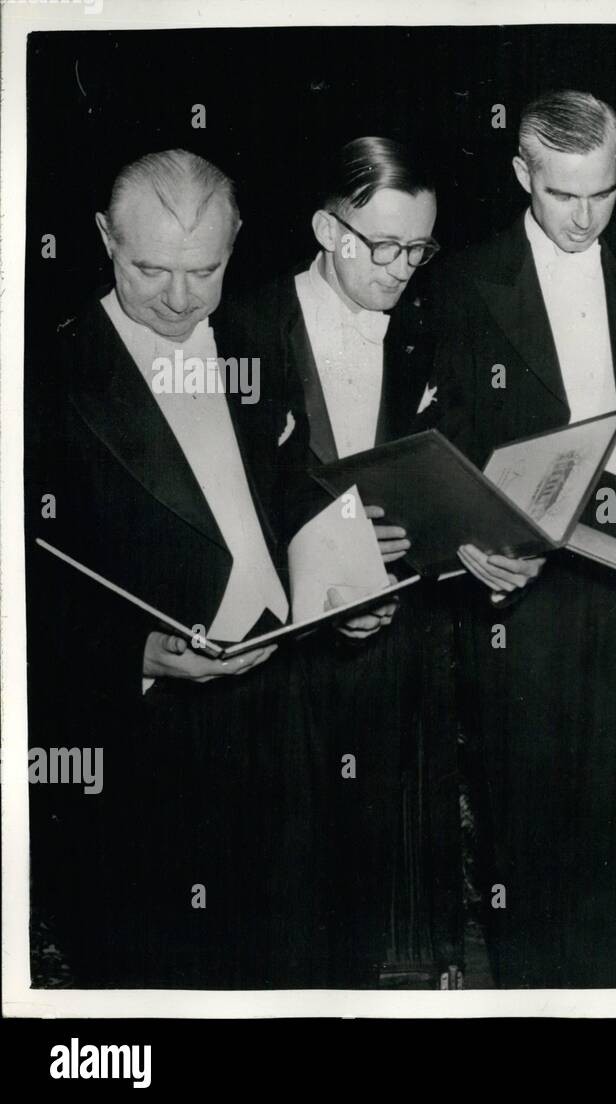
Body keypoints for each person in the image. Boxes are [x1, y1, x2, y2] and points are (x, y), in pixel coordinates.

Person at [27, 148, 390, 988]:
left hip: (281, 711)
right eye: (151, 269)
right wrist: (133, 651)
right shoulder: (45, 377)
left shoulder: (251, 339)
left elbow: (288, 487)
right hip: (145, 739)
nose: (183, 299)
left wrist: (345, 583)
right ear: (103, 240)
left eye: (207, 269)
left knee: (294, 963)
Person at [432, 90, 616, 987]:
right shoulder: (468, 281)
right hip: (522, 576)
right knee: (520, 800)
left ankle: (607, 989)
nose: (585, 218)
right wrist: (469, 540)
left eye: (604, 193)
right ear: (523, 177)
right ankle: (525, 990)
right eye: (562, 197)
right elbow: (444, 444)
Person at [230, 136, 463, 987]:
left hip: (397, 639)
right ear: (328, 228)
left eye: (420, 247)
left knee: (374, 871)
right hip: (280, 660)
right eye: (383, 245)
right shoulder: (245, 327)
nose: (403, 268)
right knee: (283, 881)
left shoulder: (426, 331)